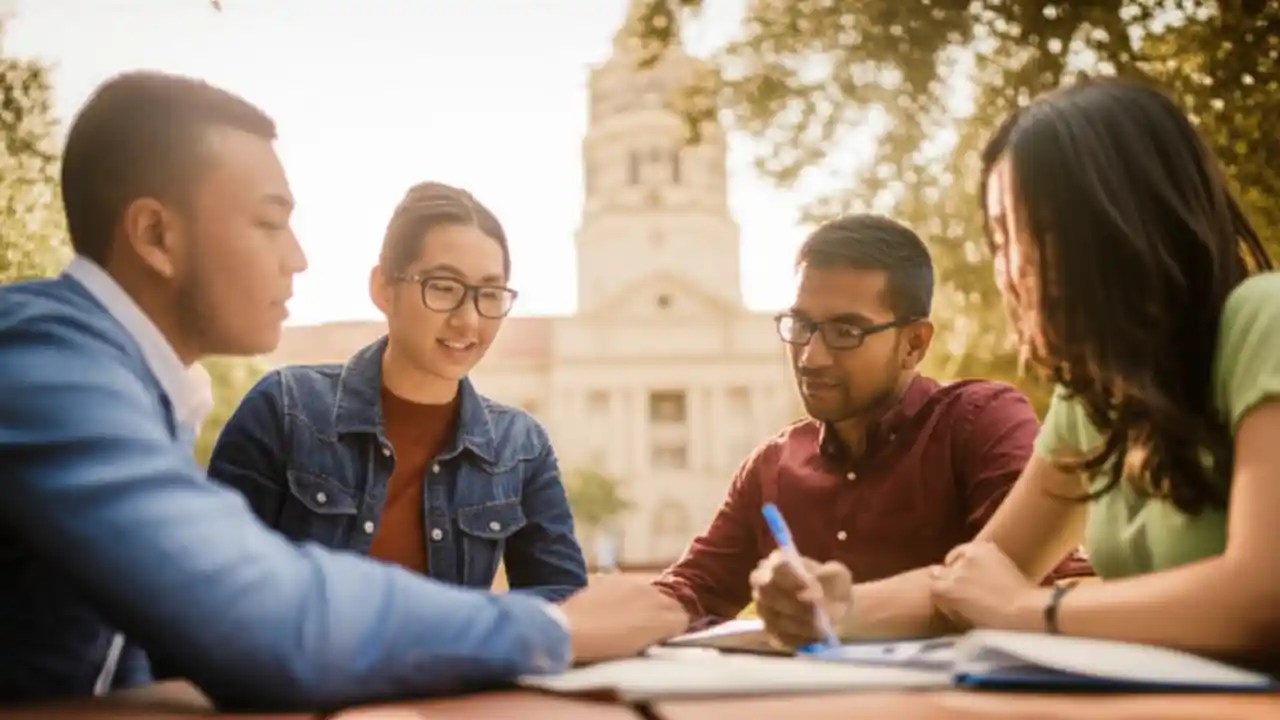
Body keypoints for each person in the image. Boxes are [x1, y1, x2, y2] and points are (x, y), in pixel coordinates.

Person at [0, 71, 684, 710]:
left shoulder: (135, 382)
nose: (296, 257)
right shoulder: (45, 362)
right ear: (156, 234)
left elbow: (136, 650)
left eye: (490, 294)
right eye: (270, 222)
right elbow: (249, 609)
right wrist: (550, 628)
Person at [749, 77, 1280, 663]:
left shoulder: (1264, 319)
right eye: (1000, 238)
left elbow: (1261, 595)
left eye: (1028, 232)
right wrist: (836, 608)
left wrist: (1030, 612)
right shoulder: (1092, 401)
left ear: (1115, 225)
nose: (1009, 267)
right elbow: (974, 581)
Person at [652, 214, 1090, 629]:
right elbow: (688, 593)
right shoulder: (772, 468)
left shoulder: (978, 422)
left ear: (914, 344)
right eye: (801, 325)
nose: (810, 357)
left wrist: (843, 609)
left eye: (846, 332)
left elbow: (1033, 579)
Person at [209, 182, 586, 601]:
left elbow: (564, 604)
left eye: (490, 294)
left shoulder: (520, 446)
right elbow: (214, 591)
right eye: (444, 287)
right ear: (384, 288)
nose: (469, 321)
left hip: (456, 669)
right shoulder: (284, 409)